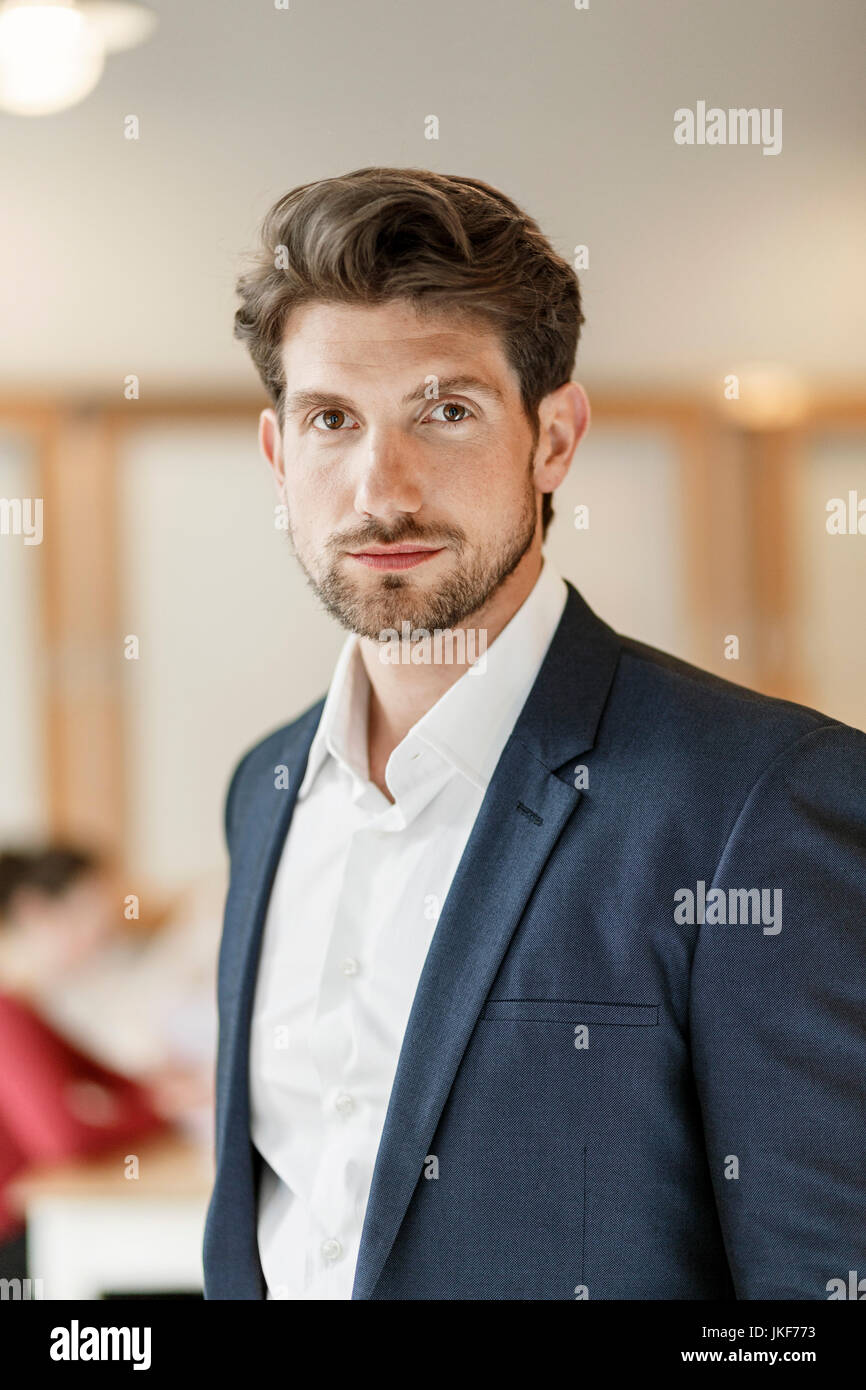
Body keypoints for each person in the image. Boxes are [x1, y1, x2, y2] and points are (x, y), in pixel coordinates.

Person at [203, 167, 866, 1300]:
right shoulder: (263, 788)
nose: (380, 486)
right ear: (277, 455)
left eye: (444, 409)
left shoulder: (758, 798)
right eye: (330, 420)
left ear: (552, 438)